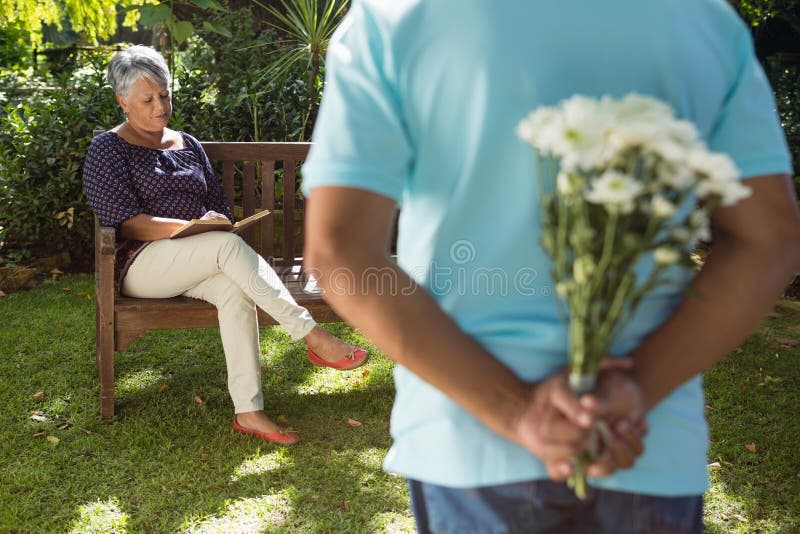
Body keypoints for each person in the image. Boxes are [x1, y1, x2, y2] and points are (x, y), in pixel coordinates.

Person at [301, 1, 800, 532]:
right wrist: (637, 389)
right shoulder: (701, 18)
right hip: (641, 440)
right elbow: (768, 239)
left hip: (468, 440)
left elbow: (340, 250)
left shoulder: (395, 14)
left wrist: (517, 412)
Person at [83, 45, 368, 445]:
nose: (160, 106)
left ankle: (248, 410)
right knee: (226, 247)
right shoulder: (108, 149)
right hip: (141, 264)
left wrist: (216, 222)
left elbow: (217, 205)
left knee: (235, 290)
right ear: (122, 101)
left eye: (164, 95)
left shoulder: (187, 144)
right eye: (147, 100)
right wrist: (191, 228)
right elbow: (124, 220)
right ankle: (313, 336)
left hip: (199, 255)